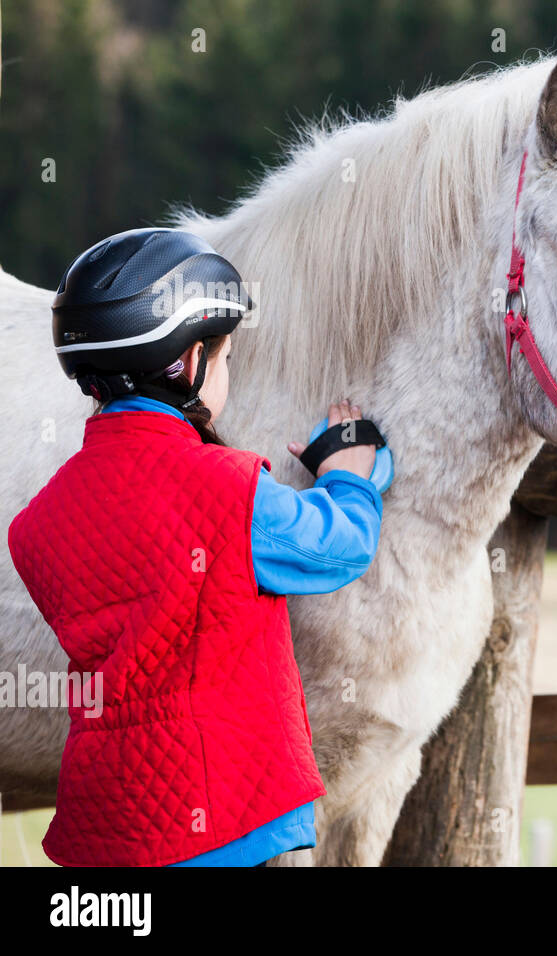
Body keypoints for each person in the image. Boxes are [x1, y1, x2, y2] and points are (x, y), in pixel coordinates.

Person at [7, 228, 387, 866]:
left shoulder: (36, 525)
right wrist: (347, 472)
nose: (228, 374)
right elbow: (338, 547)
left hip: (107, 825)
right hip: (214, 821)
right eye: (226, 357)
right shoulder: (230, 489)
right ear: (187, 363)